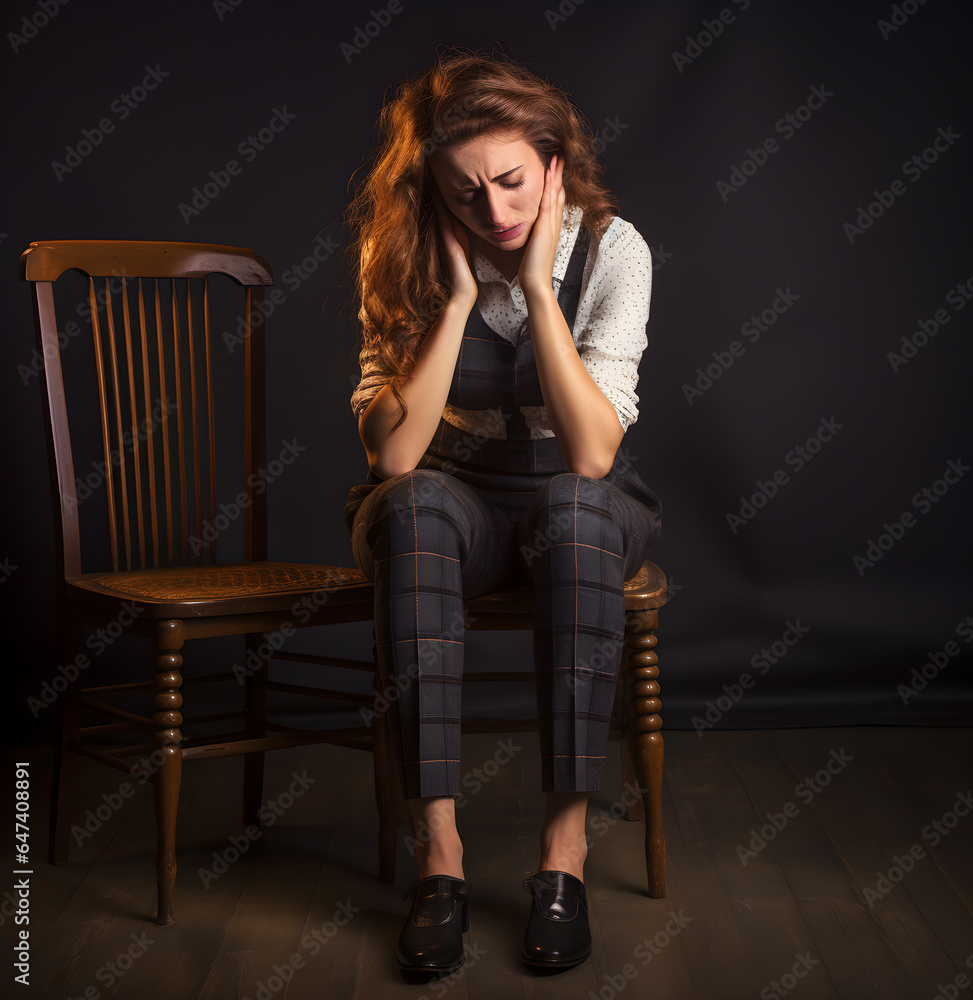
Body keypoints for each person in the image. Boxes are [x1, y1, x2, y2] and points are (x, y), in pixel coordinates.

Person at [343, 48, 662, 978]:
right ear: (431, 193)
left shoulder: (615, 250)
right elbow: (393, 454)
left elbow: (594, 451)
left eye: (514, 180)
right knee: (411, 507)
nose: (496, 210)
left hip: (578, 509)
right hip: (454, 513)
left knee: (575, 504)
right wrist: (454, 303)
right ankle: (437, 859)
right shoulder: (398, 260)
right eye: (465, 193)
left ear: (554, 163)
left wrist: (532, 288)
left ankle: (563, 858)